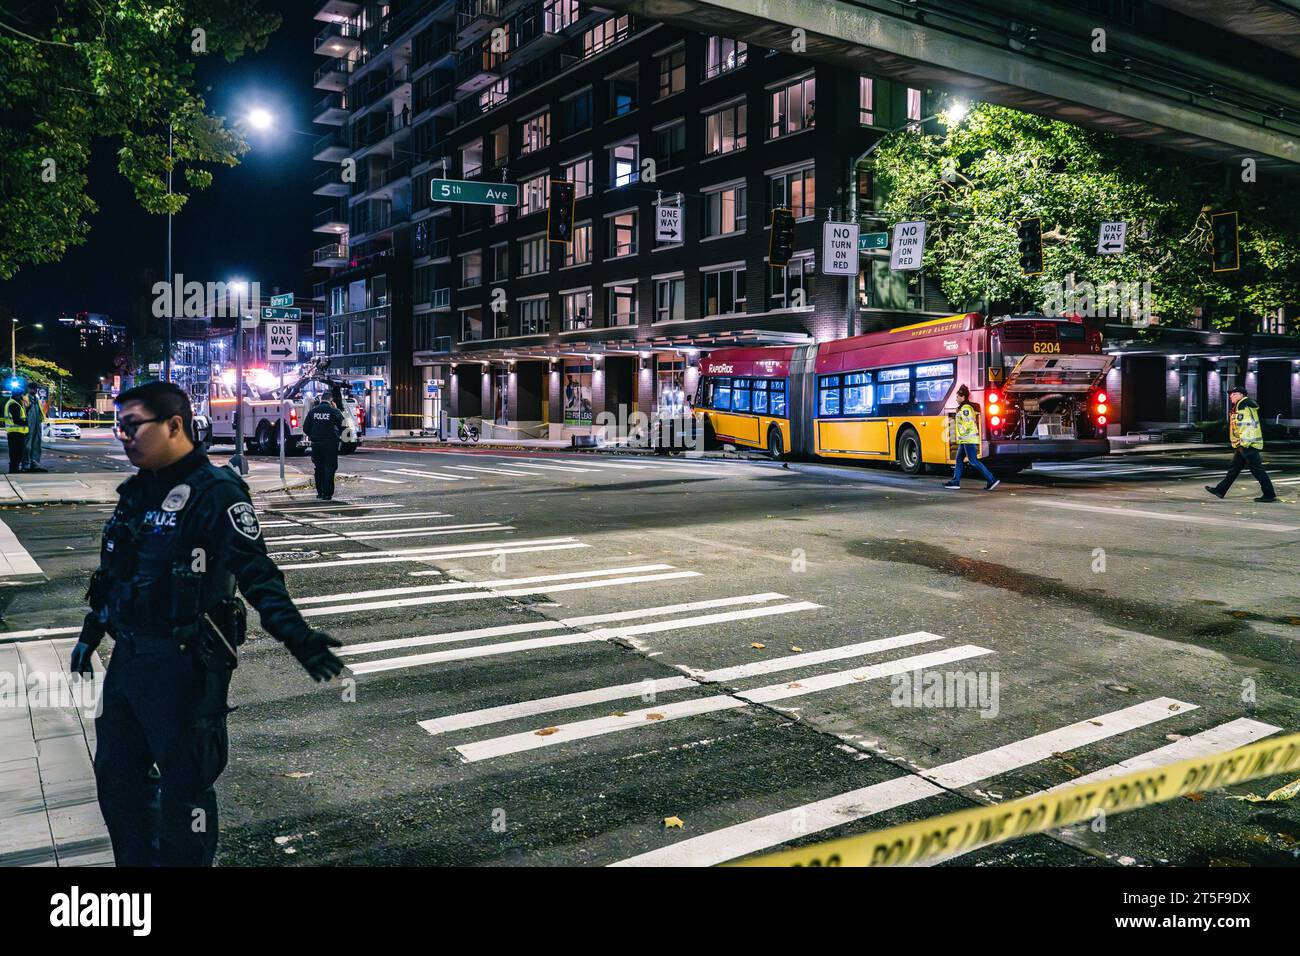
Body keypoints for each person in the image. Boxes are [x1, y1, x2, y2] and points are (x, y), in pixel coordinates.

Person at [69, 381, 344, 867]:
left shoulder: (216, 491)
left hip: (186, 665)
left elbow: (257, 573)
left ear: (174, 425)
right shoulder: (138, 491)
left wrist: (297, 637)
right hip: (130, 661)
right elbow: (116, 570)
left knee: (185, 794)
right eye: (120, 427)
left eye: (133, 426)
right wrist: (92, 633)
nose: (124, 437)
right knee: (118, 783)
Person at [1206, 385, 1276, 503]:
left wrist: (1245, 443)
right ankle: (1220, 490)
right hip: (1243, 443)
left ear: (1241, 395)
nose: (1231, 396)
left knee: (1257, 470)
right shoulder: (1240, 406)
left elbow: (1246, 425)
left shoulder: (1243, 406)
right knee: (1234, 469)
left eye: (1234, 394)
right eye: (1230, 394)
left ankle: (1269, 494)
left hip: (1247, 444)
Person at [944, 385, 1000, 491]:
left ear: (963, 397)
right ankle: (955, 481)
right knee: (959, 459)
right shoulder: (963, 408)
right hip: (964, 440)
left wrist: (963, 433)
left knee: (973, 461)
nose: (956, 399)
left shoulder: (966, 409)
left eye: (957, 397)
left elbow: (967, 423)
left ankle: (991, 479)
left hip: (968, 439)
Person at [305, 395, 345, 500]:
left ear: (321, 399)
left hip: (316, 444)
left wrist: (313, 435)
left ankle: (320, 492)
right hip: (330, 443)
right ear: (331, 400)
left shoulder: (313, 411)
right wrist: (338, 435)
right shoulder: (334, 411)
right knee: (330, 468)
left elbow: (305, 428)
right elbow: (344, 424)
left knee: (318, 468)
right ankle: (327, 493)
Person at [4, 386, 28, 474]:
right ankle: (14, 471)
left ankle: (14, 469)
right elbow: (17, 420)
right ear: (18, 395)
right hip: (16, 433)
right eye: (21, 395)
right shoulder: (14, 404)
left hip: (14, 433)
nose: (22, 397)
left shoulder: (11, 403)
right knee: (16, 454)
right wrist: (27, 423)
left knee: (14, 453)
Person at [24, 391, 47, 473]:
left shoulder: (37, 399)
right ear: (29, 389)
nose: (34, 390)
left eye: (35, 388)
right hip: (29, 425)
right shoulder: (26, 399)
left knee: (36, 445)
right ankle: (26, 465)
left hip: (37, 424)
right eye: (32, 388)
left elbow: (41, 411)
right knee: (27, 446)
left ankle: (35, 464)